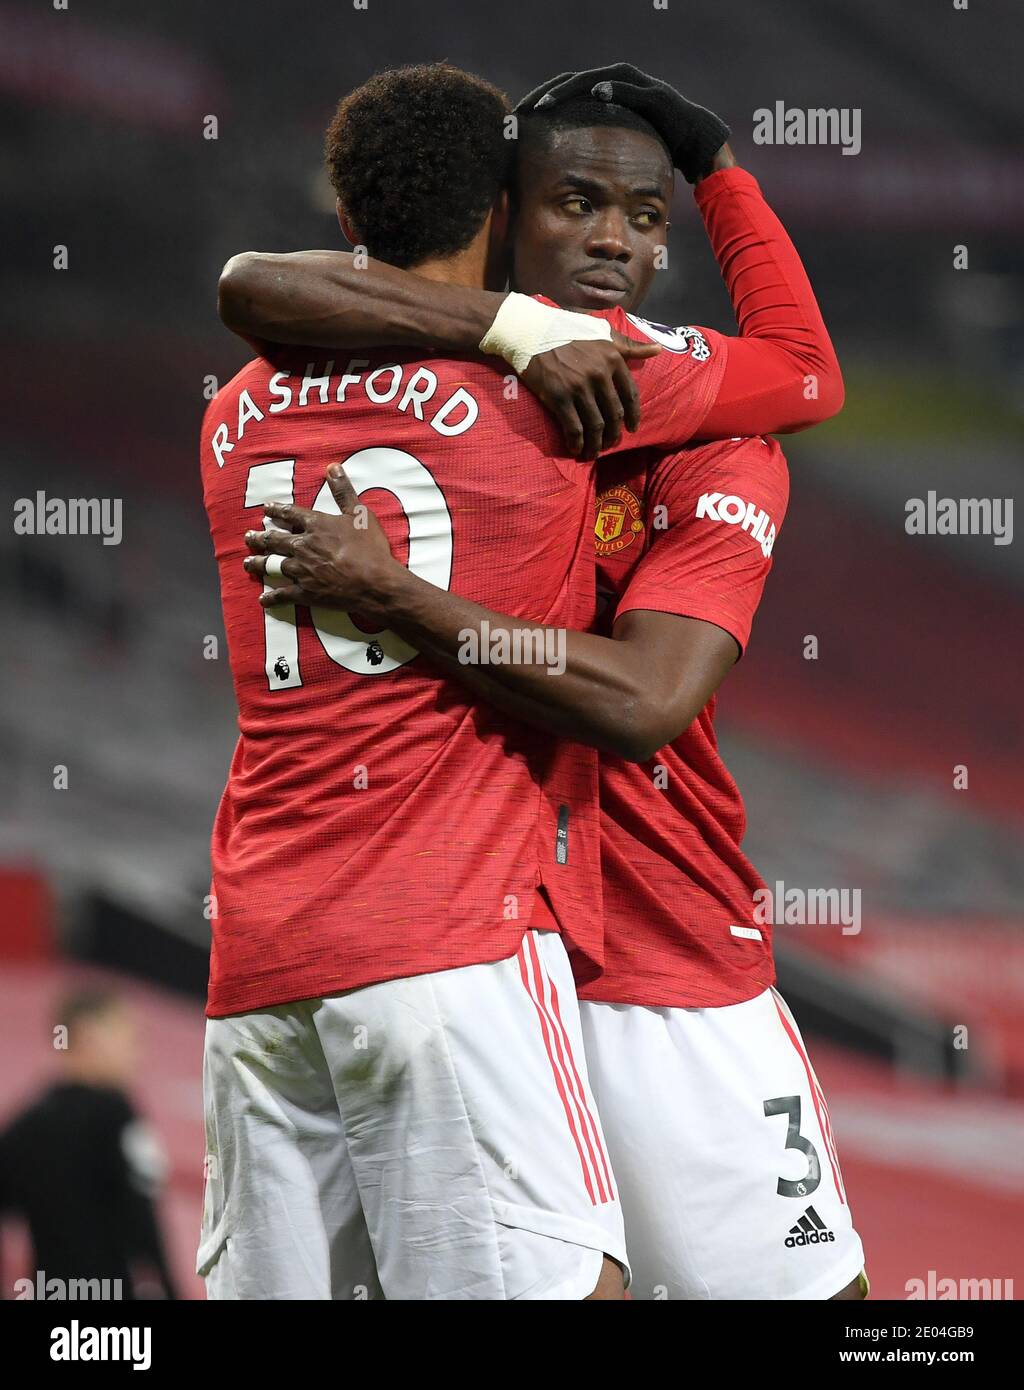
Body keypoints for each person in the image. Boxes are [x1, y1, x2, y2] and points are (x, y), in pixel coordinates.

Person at [232, 64, 866, 1299]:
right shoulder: (445, 377)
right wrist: (502, 327)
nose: (614, 242)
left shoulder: (702, 425)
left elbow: (647, 702)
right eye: (575, 204)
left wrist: (719, 165)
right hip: (468, 949)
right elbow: (250, 284)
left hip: (658, 948)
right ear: (497, 215)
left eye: (643, 220)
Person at [0, 989, 177, 1301]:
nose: (137, 1055)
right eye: (129, 1040)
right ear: (88, 1036)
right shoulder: (116, 1114)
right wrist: (170, 1288)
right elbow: (141, 1217)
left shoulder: (25, 1124)